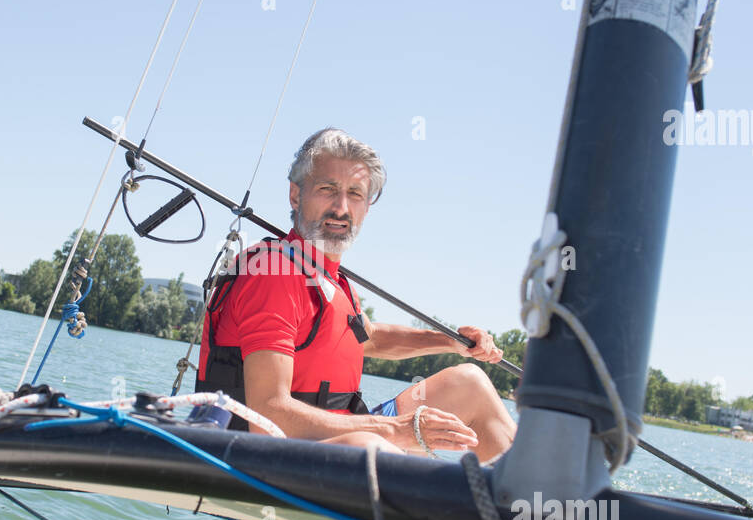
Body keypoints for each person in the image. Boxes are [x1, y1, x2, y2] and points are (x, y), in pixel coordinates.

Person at [195, 128, 517, 460]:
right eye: (327, 189)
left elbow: (370, 338)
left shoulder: (330, 279)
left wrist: (449, 341)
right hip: (269, 459)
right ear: (295, 195)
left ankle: (527, 502)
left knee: (469, 383)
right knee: (369, 447)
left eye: (355, 194)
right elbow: (269, 414)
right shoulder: (274, 275)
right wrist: (397, 431)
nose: (341, 208)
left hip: (347, 437)